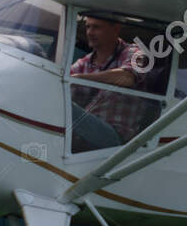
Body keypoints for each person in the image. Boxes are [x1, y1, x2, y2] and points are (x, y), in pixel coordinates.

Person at [69, 14, 161, 149]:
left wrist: (81, 79)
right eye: (88, 27)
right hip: (86, 133)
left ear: (116, 29)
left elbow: (127, 77)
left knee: (69, 109)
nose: (90, 32)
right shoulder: (83, 63)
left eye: (96, 27)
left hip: (116, 137)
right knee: (60, 105)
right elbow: (62, 88)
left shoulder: (134, 52)